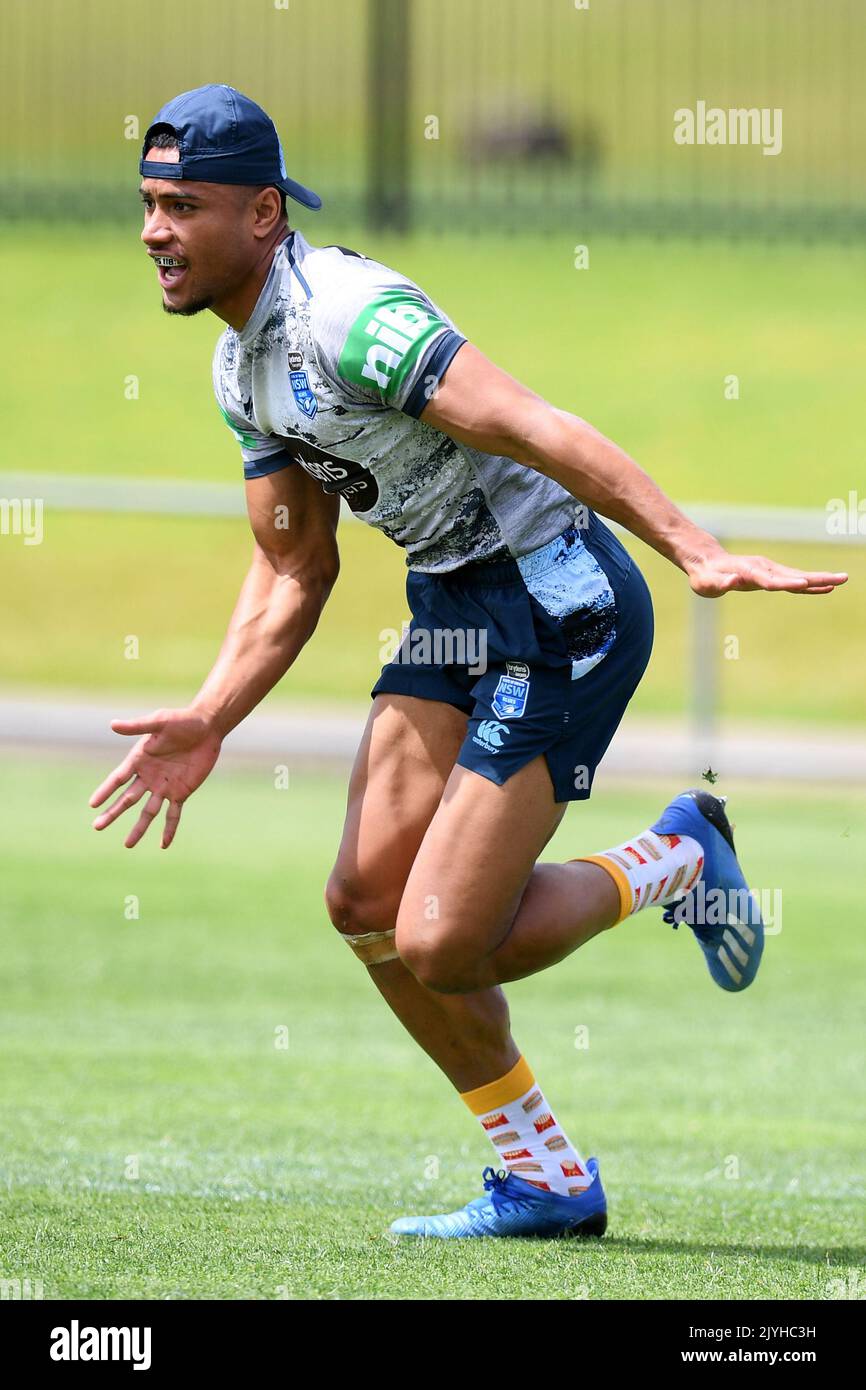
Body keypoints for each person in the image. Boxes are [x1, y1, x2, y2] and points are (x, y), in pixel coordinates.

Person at [90, 85, 847, 1239]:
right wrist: (210, 715)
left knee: (443, 940)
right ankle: (543, 1177)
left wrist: (693, 549)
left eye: (180, 205)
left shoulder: (352, 317)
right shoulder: (237, 369)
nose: (153, 230)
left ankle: (674, 858)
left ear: (259, 215)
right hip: (450, 605)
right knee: (364, 904)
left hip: (561, 603)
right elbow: (294, 569)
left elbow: (533, 424)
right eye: (147, 203)